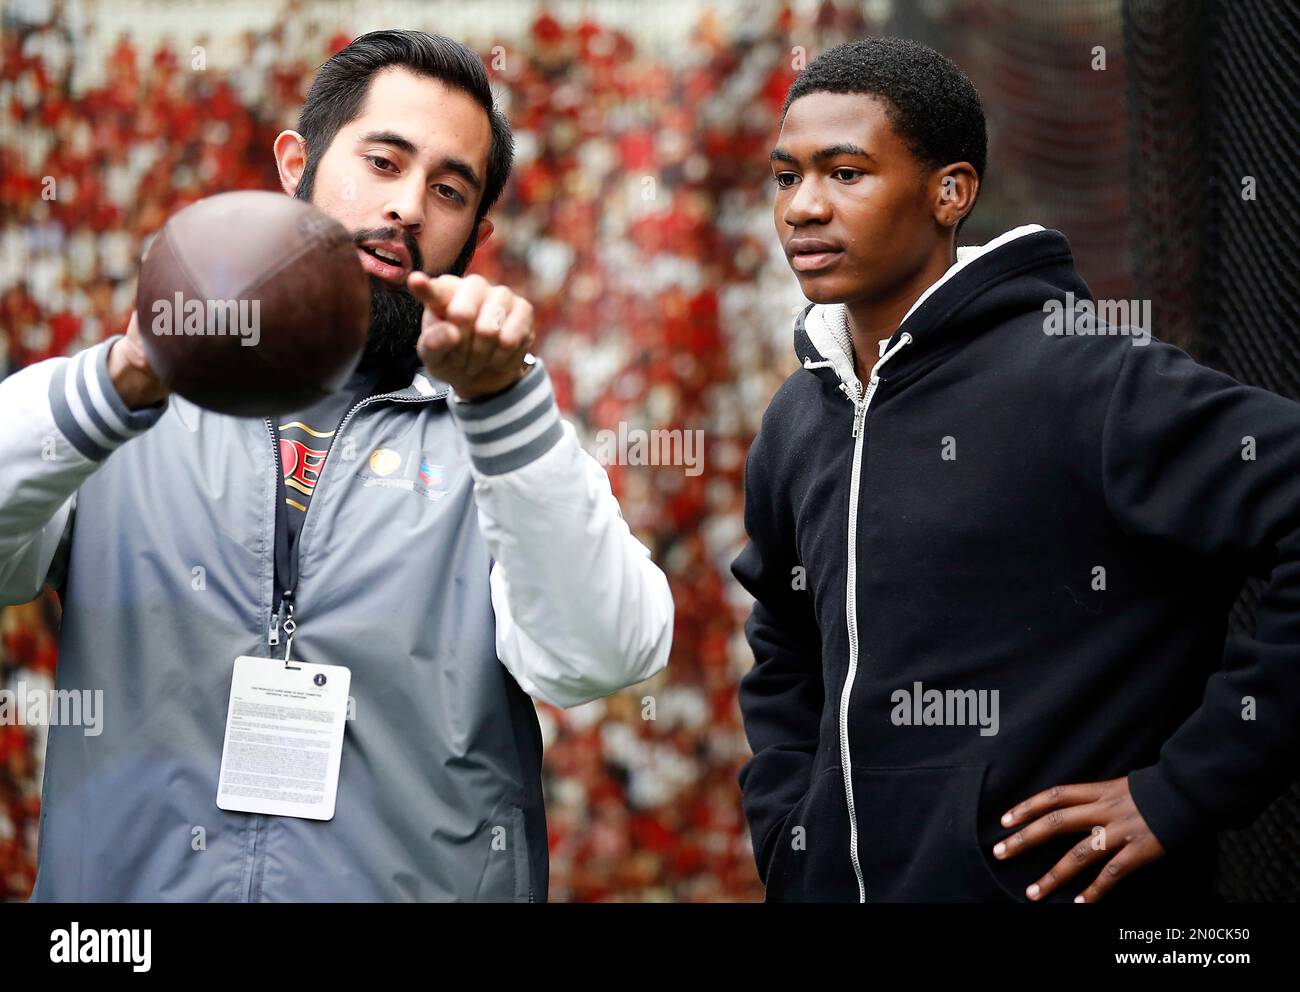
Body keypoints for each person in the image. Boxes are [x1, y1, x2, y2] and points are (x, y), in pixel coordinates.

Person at [0, 29, 673, 902]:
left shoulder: (506, 441)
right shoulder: (131, 400)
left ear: (478, 230)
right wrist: (116, 385)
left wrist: (506, 410)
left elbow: (604, 654)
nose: (407, 208)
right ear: (296, 164)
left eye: (448, 188)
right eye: (382, 162)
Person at [732, 36, 1300, 903]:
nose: (803, 207)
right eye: (786, 176)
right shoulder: (797, 419)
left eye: (845, 173)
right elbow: (784, 637)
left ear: (949, 193)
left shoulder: (1084, 379)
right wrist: (788, 829)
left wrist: (1185, 787)